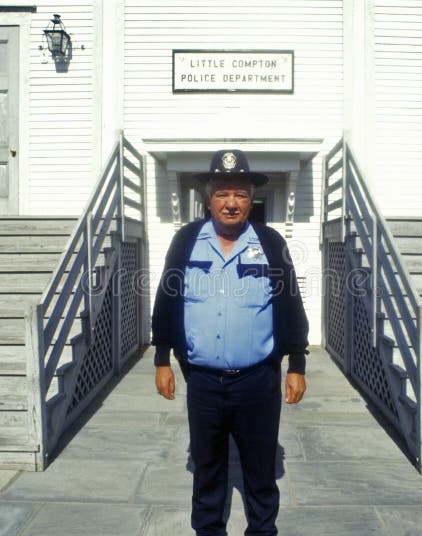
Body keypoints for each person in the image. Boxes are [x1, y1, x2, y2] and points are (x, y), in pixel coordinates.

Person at [152, 149, 309, 536]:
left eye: (239, 194)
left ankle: (262, 531)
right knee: (207, 471)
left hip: (257, 381)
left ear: (250, 199)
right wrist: (162, 358)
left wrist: (297, 366)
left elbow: (290, 304)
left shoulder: (270, 242)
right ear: (209, 199)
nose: (231, 203)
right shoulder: (186, 240)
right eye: (222, 194)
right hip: (204, 382)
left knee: (259, 471)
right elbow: (168, 299)